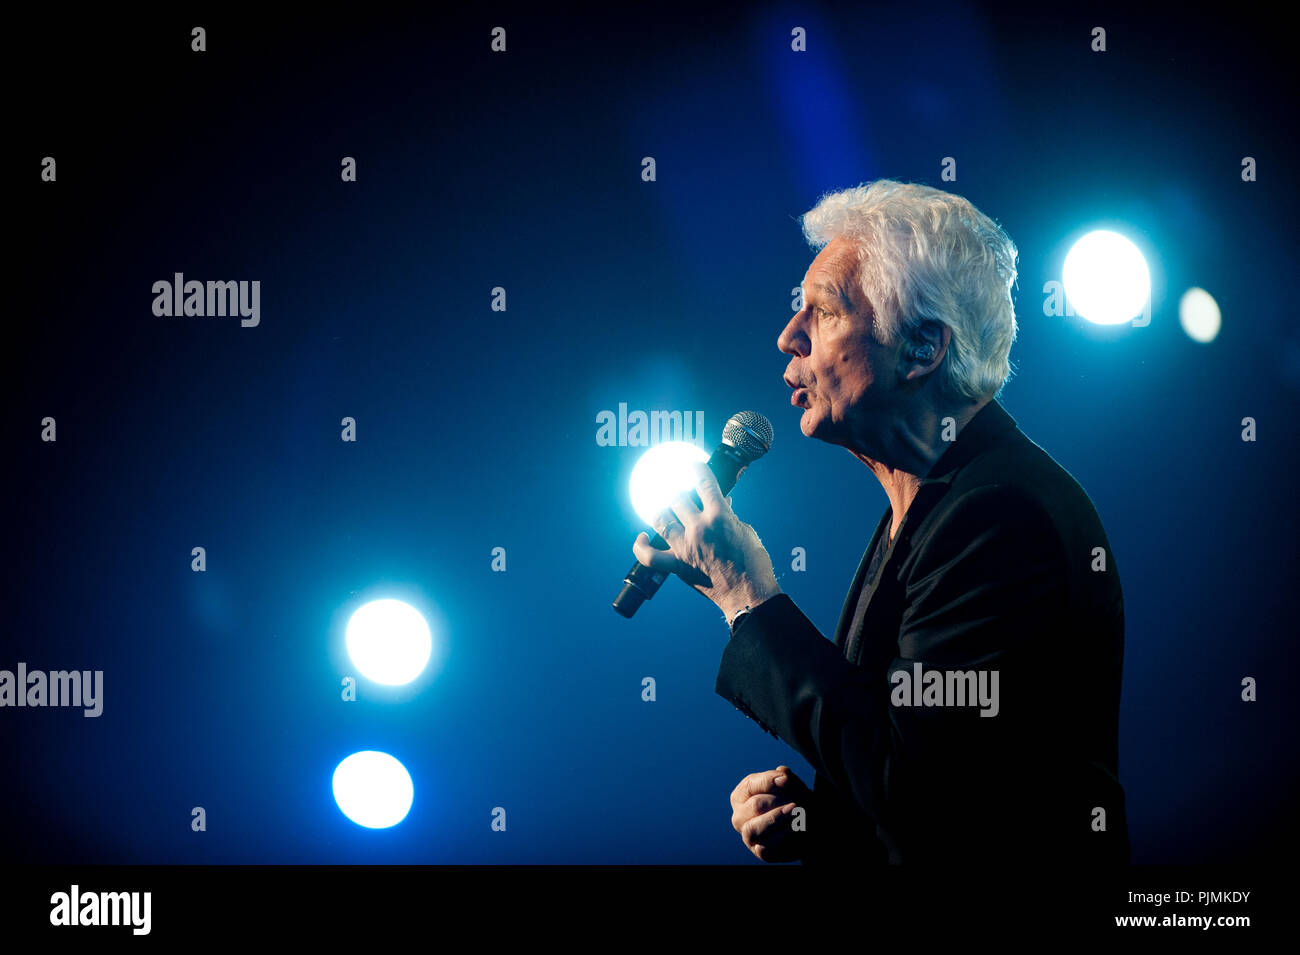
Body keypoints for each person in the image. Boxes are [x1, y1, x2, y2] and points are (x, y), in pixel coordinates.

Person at [632, 180, 1129, 866]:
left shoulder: (999, 515)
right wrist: (820, 823)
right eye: (794, 311)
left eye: (823, 311)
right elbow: (940, 790)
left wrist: (746, 595)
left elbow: (925, 796)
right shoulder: (928, 507)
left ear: (922, 349)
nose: (788, 336)